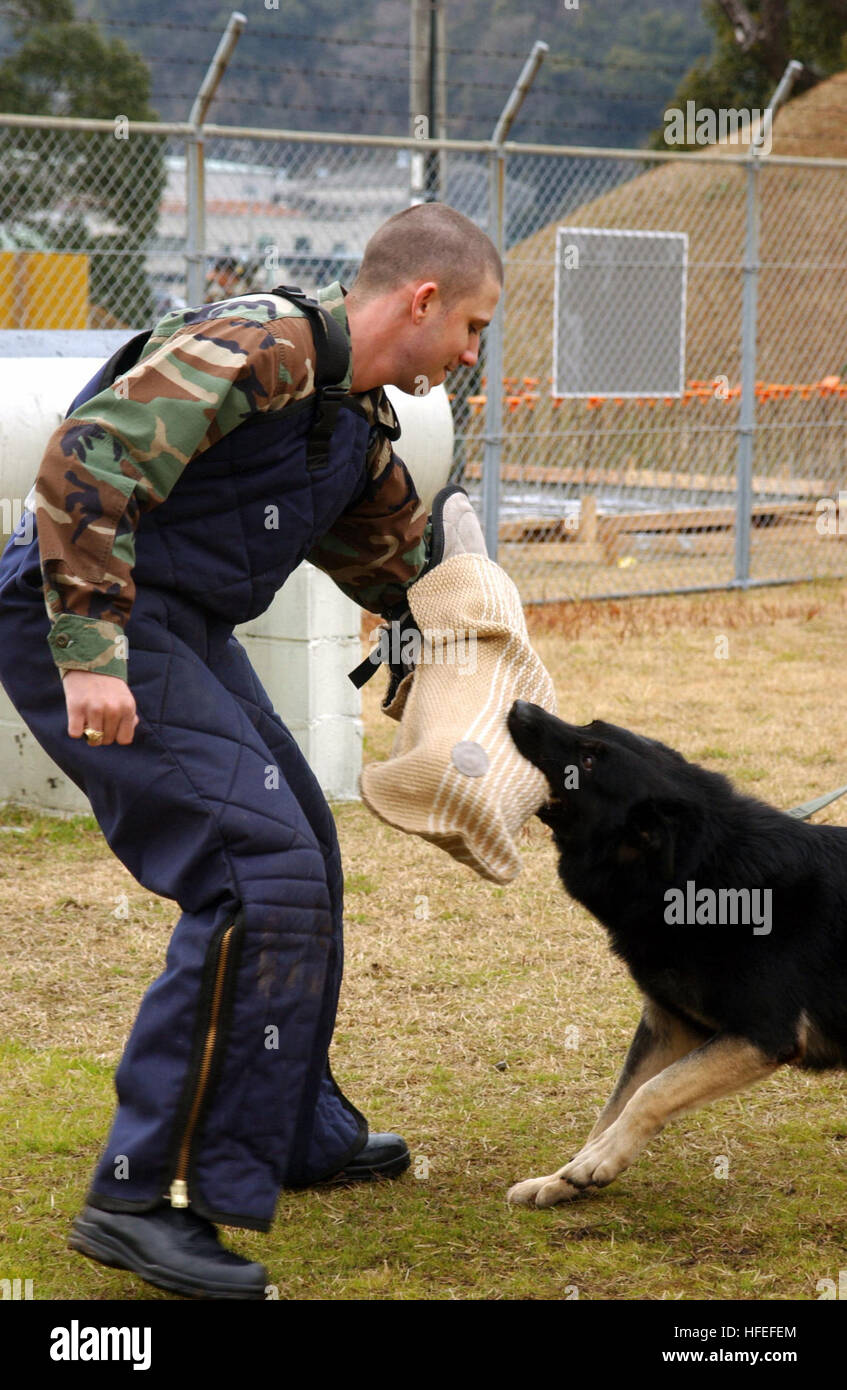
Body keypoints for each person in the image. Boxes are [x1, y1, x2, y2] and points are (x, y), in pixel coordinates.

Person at [0, 202, 502, 1300]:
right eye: (471, 326)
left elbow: (401, 569)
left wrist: (481, 692)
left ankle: (290, 1125)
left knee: (304, 847)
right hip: (90, 620)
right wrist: (89, 650)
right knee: (254, 869)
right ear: (422, 300)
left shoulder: (351, 422)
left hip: (180, 628)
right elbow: (87, 457)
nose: (472, 353)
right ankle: (141, 1198)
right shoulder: (259, 347)